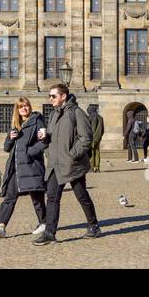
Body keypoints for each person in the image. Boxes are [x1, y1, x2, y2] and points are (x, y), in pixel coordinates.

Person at [35, 83, 99, 244]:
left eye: (53, 96)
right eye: (49, 96)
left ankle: (94, 226)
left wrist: (72, 155)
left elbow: (86, 138)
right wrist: (45, 139)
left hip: (72, 164)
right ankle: (50, 232)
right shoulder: (53, 114)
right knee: (52, 198)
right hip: (55, 164)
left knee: (81, 195)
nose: (50, 99)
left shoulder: (77, 113)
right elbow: (51, 137)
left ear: (63, 96)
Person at [0, 97, 48, 239]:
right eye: (21, 107)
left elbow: (44, 142)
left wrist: (30, 152)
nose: (24, 108)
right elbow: (6, 148)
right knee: (10, 197)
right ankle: (1, 226)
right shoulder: (16, 124)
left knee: (37, 198)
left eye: (26, 105)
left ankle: (44, 223)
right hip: (15, 167)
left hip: (31, 166)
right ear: (17, 109)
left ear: (30, 106)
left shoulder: (37, 120)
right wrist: (10, 137)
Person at [86, 102, 104, 173]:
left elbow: (89, 128)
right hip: (98, 137)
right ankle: (97, 167)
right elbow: (102, 129)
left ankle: (91, 168)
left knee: (91, 153)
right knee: (97, 152)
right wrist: (99, 136)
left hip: (91, 137)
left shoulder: (90, 117)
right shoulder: (100, 117)